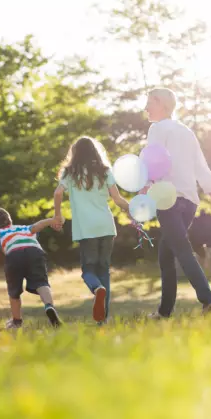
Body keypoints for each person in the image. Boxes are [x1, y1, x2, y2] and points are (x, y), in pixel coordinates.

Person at [144, 88, 211, 318]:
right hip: (190, 202)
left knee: (182, 249)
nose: (146, 108)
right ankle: (164, 311)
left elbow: (151, 158)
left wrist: (144, 188)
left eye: (149, 103)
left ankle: (208, 300)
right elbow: (201, 168)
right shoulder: (186, 131)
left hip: (167, 198)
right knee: (166, 254)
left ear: (161, 103)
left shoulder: (157, 128)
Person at [53, 136, 129, 324]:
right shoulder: (104, 171)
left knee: (88, 269)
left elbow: (57, 193)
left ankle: (96, 289)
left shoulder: (69, 173)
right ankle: (103, 318)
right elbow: (117, 199)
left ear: (75, 153)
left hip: (86, 229)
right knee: (104, 270)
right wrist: (132, 210)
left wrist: (57, 216)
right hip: (106, 226)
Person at [0, 201, 62, 329]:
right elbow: (38, 225)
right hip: (34, 251)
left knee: (14, 291)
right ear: (10, 221)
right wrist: (53, 220)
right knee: (41, 283)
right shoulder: (24, 228)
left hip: (14, 255)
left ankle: (17, 321)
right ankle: (49, 306)